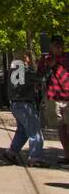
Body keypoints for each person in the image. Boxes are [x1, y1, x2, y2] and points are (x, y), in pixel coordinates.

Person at [3, 51, 46, 167]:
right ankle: (35, 158)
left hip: (15, 104)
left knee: (22, 131)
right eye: (28, 58)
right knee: (35, 132)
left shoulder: (12, 71)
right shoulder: (25, 71)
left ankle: (11, 152)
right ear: (25, 58)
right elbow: (40, 78)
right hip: (25, 104)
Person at [39, 36, 69, 165]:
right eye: (54, 45)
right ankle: (67, 155)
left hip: (68, 96)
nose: (57, 48)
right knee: (61, 127)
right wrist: (47, 65)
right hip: (54, 96)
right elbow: (40, 73)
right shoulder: (46, 58)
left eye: (59, 45)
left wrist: (55, 63)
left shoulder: (66, 57)